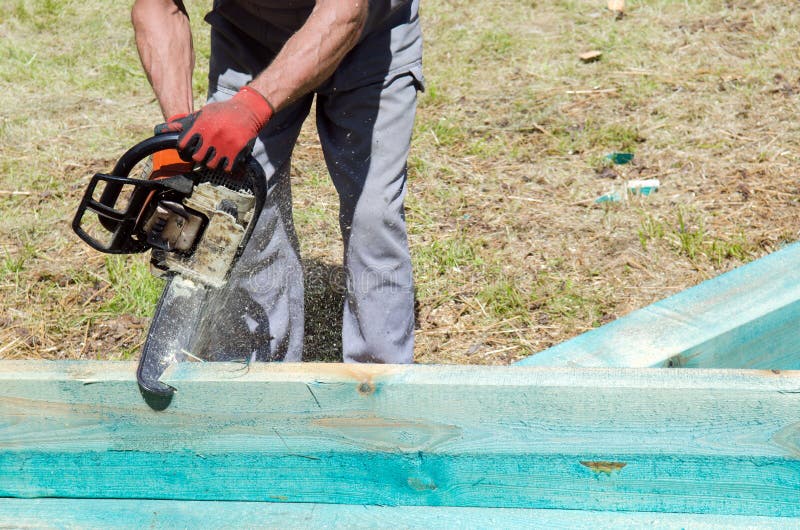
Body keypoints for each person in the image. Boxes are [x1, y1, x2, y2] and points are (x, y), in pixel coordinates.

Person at [130, 0, 423, 364]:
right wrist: (179, 126)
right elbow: (157, 6)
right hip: (251, 39)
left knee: (372, 213)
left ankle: (381, 383)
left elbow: (345, 13)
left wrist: (249, 109)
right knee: (238, 210)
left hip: (369, 33)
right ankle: (260, 376)